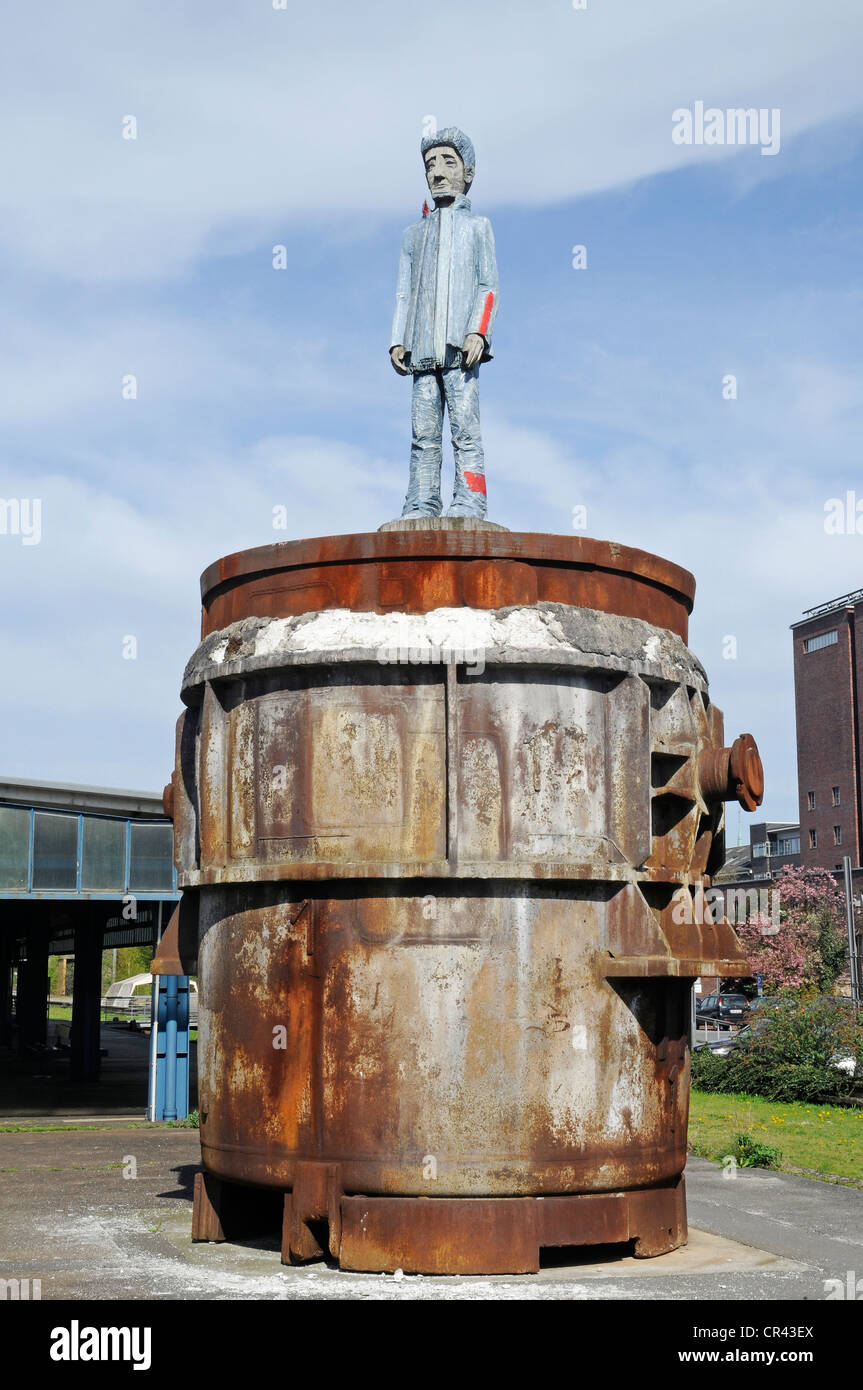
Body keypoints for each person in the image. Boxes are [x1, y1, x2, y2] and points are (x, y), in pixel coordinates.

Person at [390, 126, 499, 519]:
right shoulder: (412, 236)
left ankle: (470, 501)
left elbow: (488, 286)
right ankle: (421, 501)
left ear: (467, 172)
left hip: (459, 348)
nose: (436, 172)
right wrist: (397, 340)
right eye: (430, 164)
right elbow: (403, 292)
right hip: (421, 349)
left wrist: (479, 332)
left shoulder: (478, 228)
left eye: (447, 162)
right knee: (423, 435)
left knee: (465, 431)